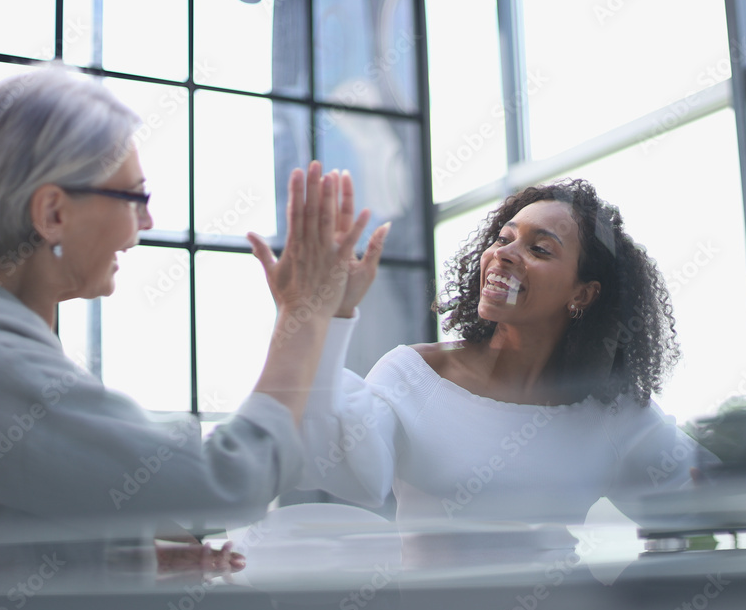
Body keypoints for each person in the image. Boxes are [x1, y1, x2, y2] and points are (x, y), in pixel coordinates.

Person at [0, 65, 387, 594]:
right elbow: (227, 483)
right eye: (135, 198)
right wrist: (305, 313)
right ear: (52, 213)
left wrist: (121, 562)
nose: (145, 222)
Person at [297, 178, 710, 564]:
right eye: (503, 238)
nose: (504, 254)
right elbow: (348, 467)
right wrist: (324, 318)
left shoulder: (609, 406)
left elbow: (710, 499)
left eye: (540, 249)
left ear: (583, 294)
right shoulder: (413, 375)